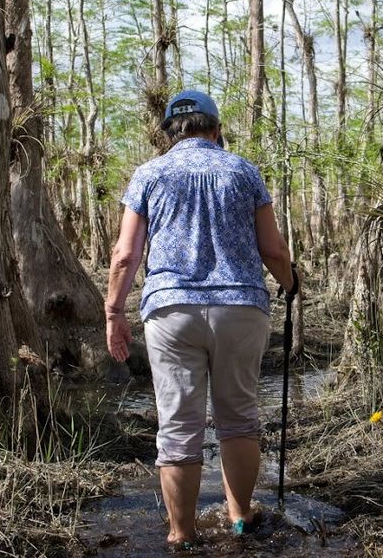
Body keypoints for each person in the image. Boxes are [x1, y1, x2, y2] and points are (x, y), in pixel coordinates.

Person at [105, 90, 299, 549]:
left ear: (170, 133)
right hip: (240, 308)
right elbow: (273, 249)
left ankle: (181, 535)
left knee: (177, 427)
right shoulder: (242, 170)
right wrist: (291, 283)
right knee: (238, 420)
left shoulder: (149, 173)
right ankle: (239, 518)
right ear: (215, 129)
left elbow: (125, 254)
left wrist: (114, 311)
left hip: (172, 311)